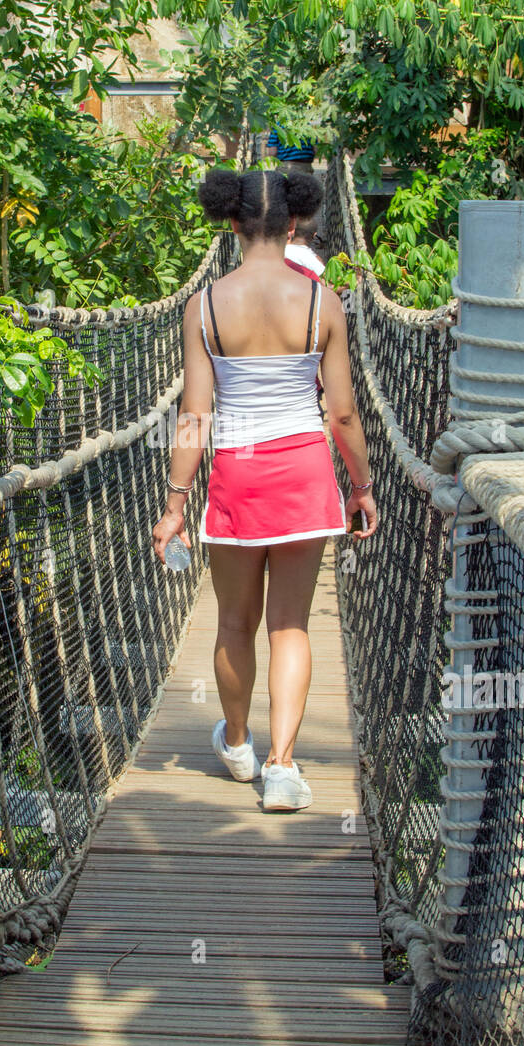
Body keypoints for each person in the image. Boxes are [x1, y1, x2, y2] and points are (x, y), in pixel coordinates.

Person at [152, 169, 376, 812]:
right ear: (295, 223)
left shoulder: (204, 306)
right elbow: (341, 414)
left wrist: (174, 505)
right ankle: (282, 767)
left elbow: (195, 414)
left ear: (232, 223)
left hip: (237, 474)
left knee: (234, 621)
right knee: (290, 626)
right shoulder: (322, 302)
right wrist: (361, 486)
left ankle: (237, 745)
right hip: (305, 472)